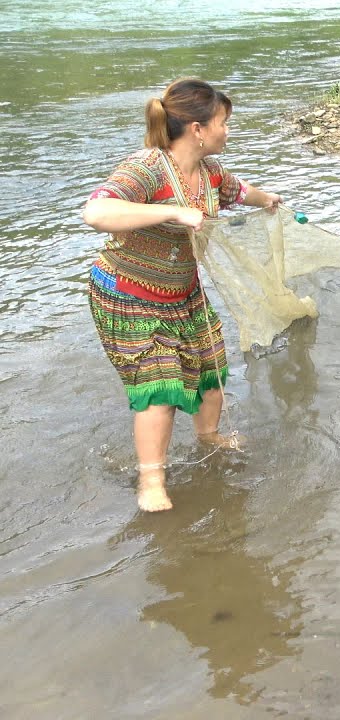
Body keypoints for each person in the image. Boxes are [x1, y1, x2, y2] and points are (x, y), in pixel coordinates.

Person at [82, 78, 282, 513]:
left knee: (210, 368)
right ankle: (151, 480)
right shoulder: (148, 166)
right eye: (223, 123)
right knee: (161, 388)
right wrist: (172, 210)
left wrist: (269, 201)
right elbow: (95, 212)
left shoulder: (211, 173)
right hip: (127, 294)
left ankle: (209, 437)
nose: (227, 131)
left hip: (183, 293)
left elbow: (240, 192)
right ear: (197, 129)